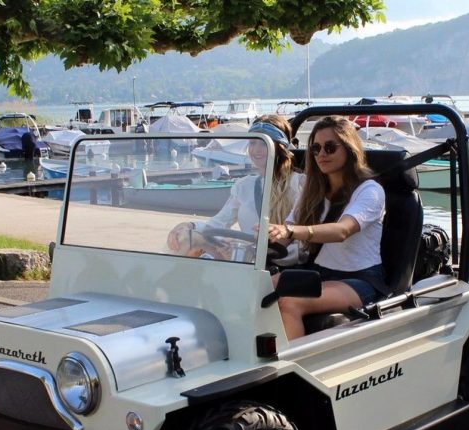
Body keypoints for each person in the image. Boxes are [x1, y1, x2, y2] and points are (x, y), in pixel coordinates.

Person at [267, 116, 387, 340]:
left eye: (330, 147)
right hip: (319, 273)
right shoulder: (313, 191)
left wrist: (291, 231)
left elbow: (342, 231)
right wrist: (258, 242)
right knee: (256, 286)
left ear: (349, 149)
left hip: (360, 280)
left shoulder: (369, 190)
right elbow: (285, 234)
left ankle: (292, 367)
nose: (321, 154)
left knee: (289, 302)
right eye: (316, 148)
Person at [166, 114, 302, 260]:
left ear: (279, 147)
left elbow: (297, 240)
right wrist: (190, 226)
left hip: (276, 265)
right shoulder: (245, 186)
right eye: (253, 142)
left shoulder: (298, 183)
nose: (257, 149)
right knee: (186, 239)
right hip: (244, 258)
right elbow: (220, 222)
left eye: (264, 143)